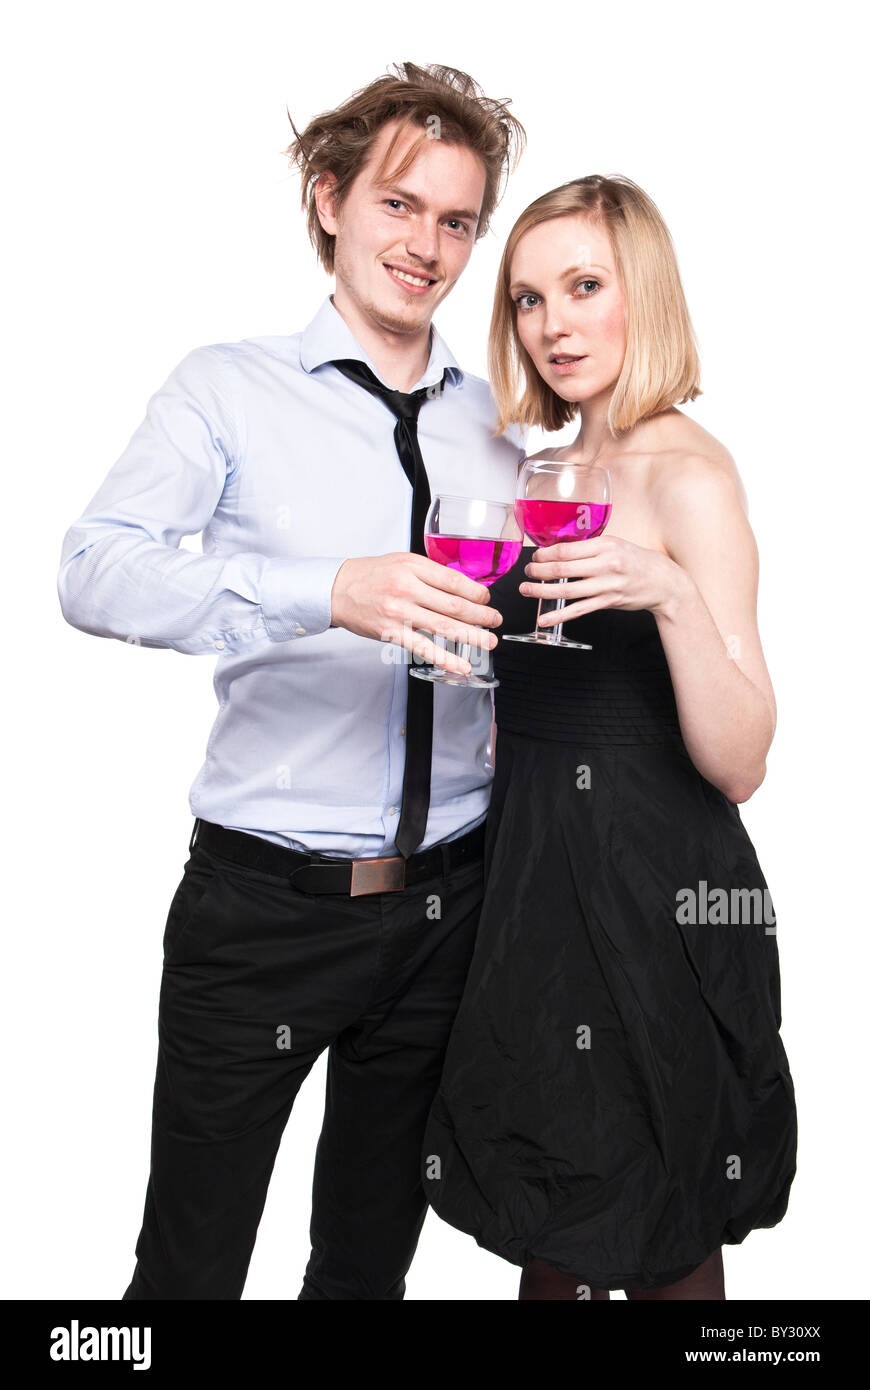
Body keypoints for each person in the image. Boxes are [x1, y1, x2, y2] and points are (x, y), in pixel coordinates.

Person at [57, 62, 525, 1300]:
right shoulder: (227, 387)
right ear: (329, 199)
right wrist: (324, 590)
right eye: (397, 204)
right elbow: (94, 572)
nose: (426, 246)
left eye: (457, 220)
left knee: (369, 1268)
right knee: (190, 1270)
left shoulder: (502, 423)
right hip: (263, 913)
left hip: (449, 911)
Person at [422, 174, 798, 1301]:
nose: (555, 324)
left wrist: (669, 595)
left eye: (585, 286)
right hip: (536, 890)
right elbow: (545, 687)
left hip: (653, 898)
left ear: (645, 292)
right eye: (531, 299)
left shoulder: (688, 475)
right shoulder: (538, 474)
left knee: (656, 1224)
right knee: (560, 1210)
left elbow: (743, 757)